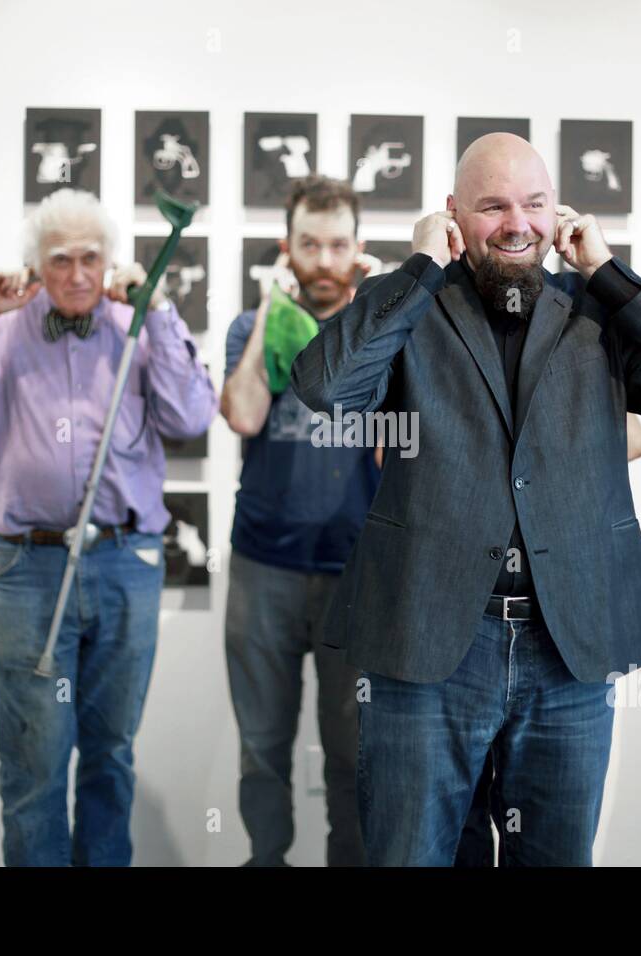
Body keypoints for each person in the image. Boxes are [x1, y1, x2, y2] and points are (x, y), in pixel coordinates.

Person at [291, 133, 641, 866]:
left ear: (557, 212)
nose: (516, 223)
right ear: (453, 217)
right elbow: (325, 389)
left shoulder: (596, 312)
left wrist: (606, 269)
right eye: (492, 206)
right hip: (428, 643)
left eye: (533, 204)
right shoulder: (415, 304)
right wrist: (420, 268)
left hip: (567, 645)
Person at [0, 188, 217, 866]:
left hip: (125, 564)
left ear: (109, 262)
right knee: (33, 767)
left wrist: (161, 310)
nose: (78, 274)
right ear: (35, 266)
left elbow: (193, 416)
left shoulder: (137, 327)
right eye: (60, 260)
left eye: (90, 258)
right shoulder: (0, 329)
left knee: (111, 757)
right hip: (27, 571)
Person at [220, 176, 378, 867]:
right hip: (264, 568)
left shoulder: (381, 327)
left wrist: (378, 313)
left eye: (337, 245)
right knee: (262, 752)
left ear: (358, 249)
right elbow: (246, 414)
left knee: (355, 757)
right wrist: (265, 313)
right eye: (308, 245)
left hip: (359, 573)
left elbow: (390, 442)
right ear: (287, 249)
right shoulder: (252, 328)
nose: (322, 261)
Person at [455, 413, 641, 867]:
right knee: (455, 837)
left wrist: (538, 446)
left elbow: (636, 440)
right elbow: (393, 455)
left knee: (555, 844)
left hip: (561, 627)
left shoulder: (574, 349)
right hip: (457, 619)